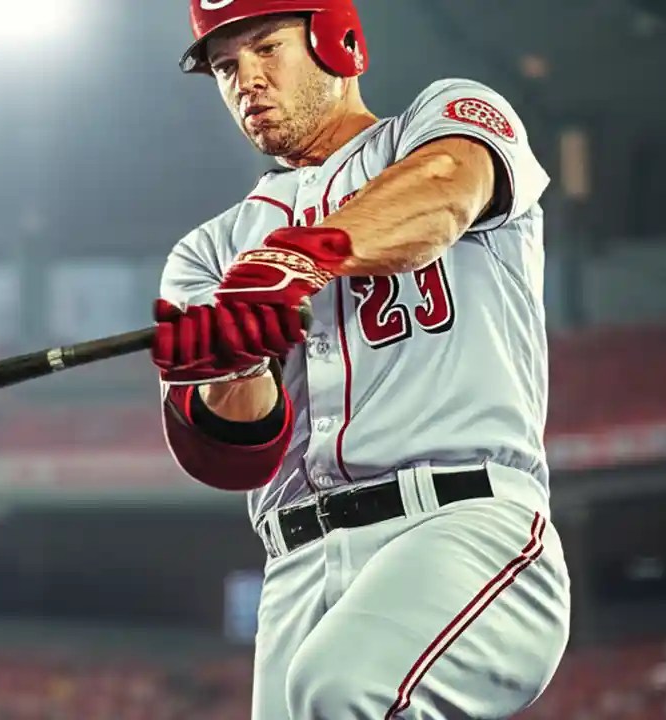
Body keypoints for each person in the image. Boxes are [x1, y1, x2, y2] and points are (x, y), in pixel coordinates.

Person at [151, 1, 571, 718]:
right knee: (331, 687)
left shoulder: (440, 121)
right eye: (225, 65)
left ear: (334, 39)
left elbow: (445, 190)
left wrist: (298, 259)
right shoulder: (206, 252)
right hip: (295, 562)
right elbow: (234, 458)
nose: (245, 79)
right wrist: (236, 366)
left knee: (345, 689)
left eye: (265, 48)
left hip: (461, 523)